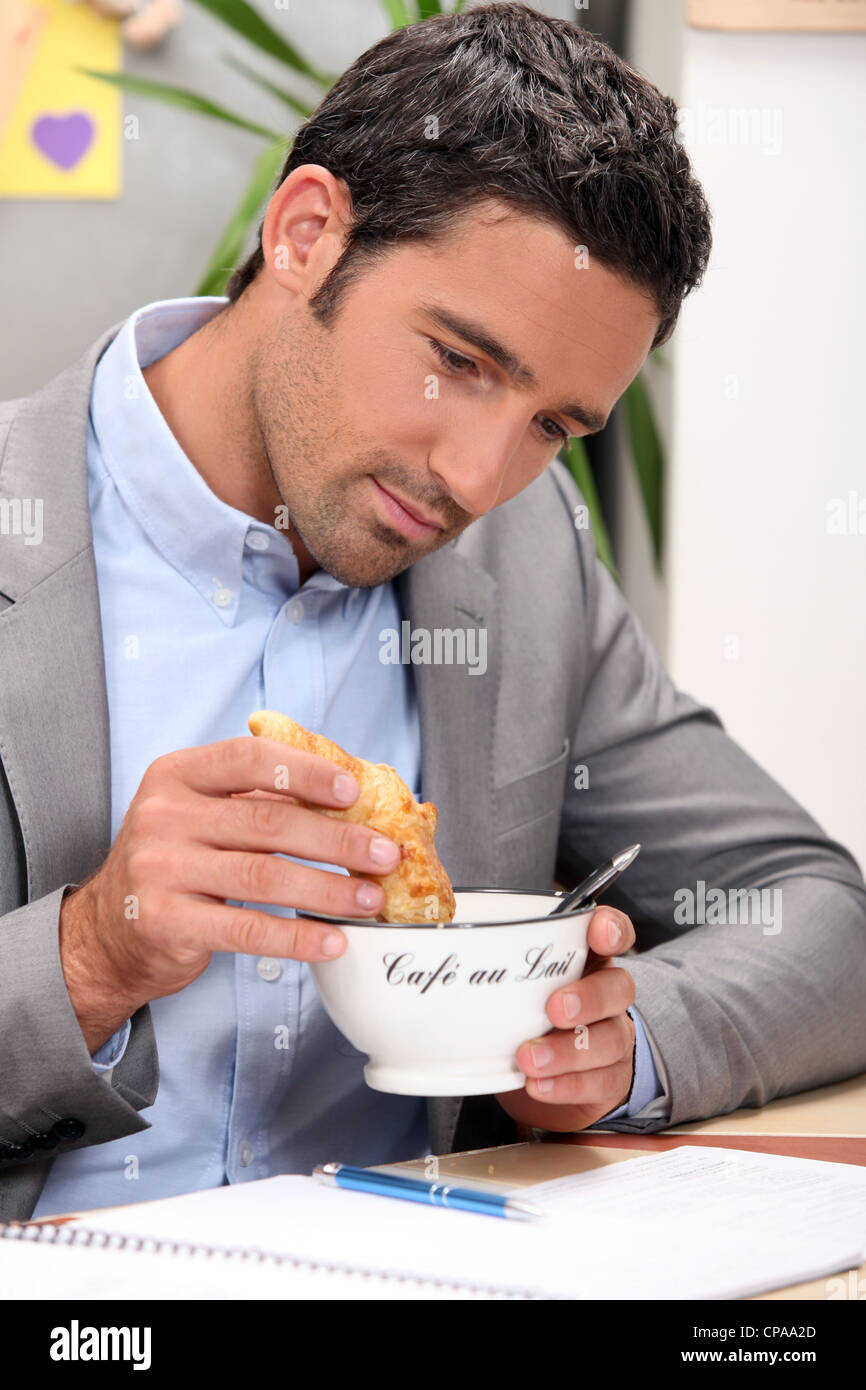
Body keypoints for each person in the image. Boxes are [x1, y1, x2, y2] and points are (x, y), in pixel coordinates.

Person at [1, 3, 863, 1225]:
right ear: (305, 233)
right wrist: (89, 955)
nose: (475, 478)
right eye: (458, 361)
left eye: (552, 426)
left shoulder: (528, 561)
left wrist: (619, 1046)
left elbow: (813, 909)